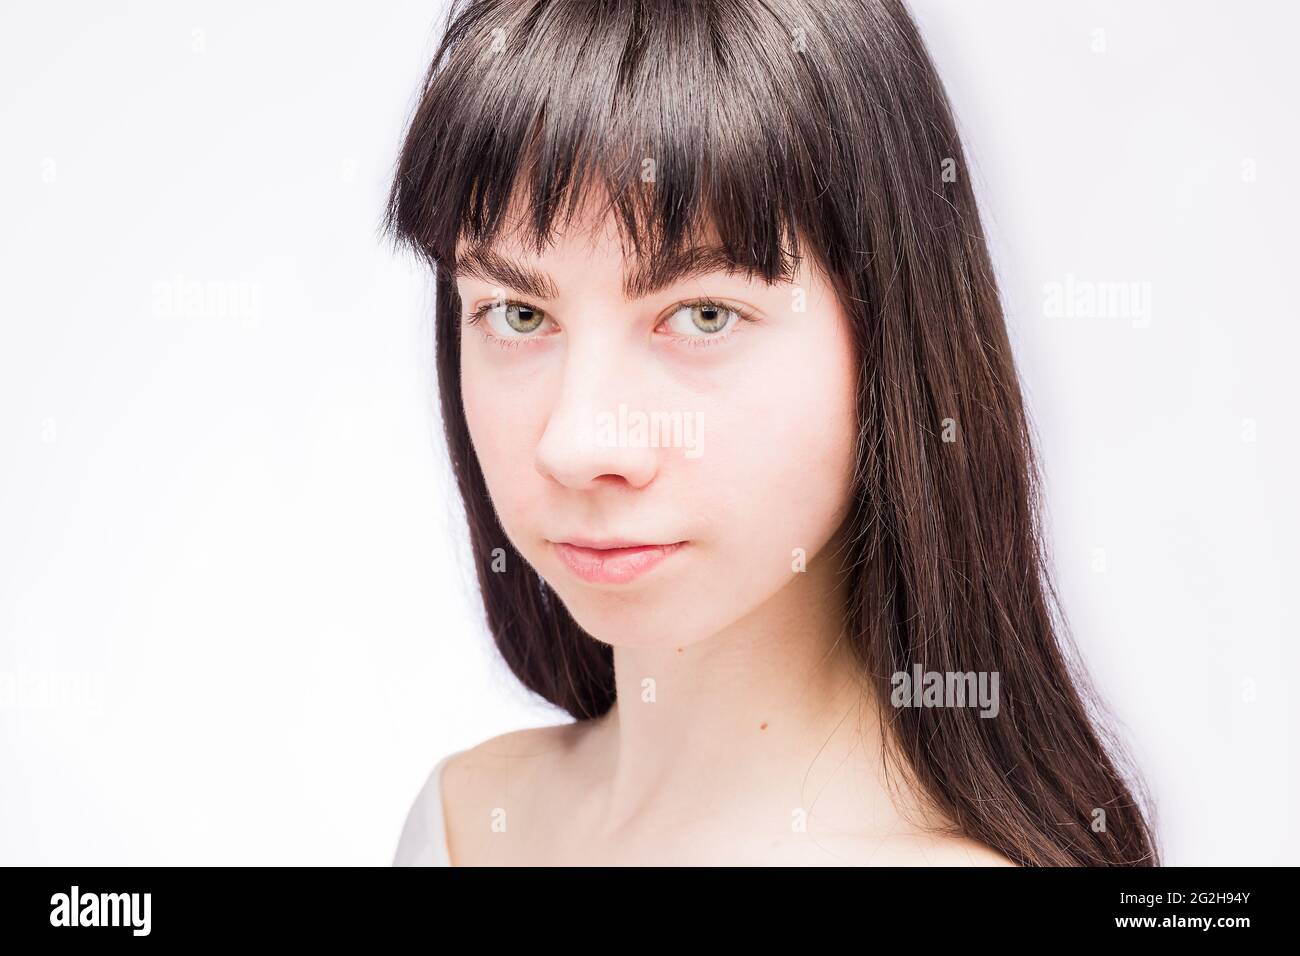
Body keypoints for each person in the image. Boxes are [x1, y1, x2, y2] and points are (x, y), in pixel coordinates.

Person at [385, 0, 1160, 866]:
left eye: (705, 313)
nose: (579, 442)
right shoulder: (466, 819)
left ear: (891, 332)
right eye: (518, 313)